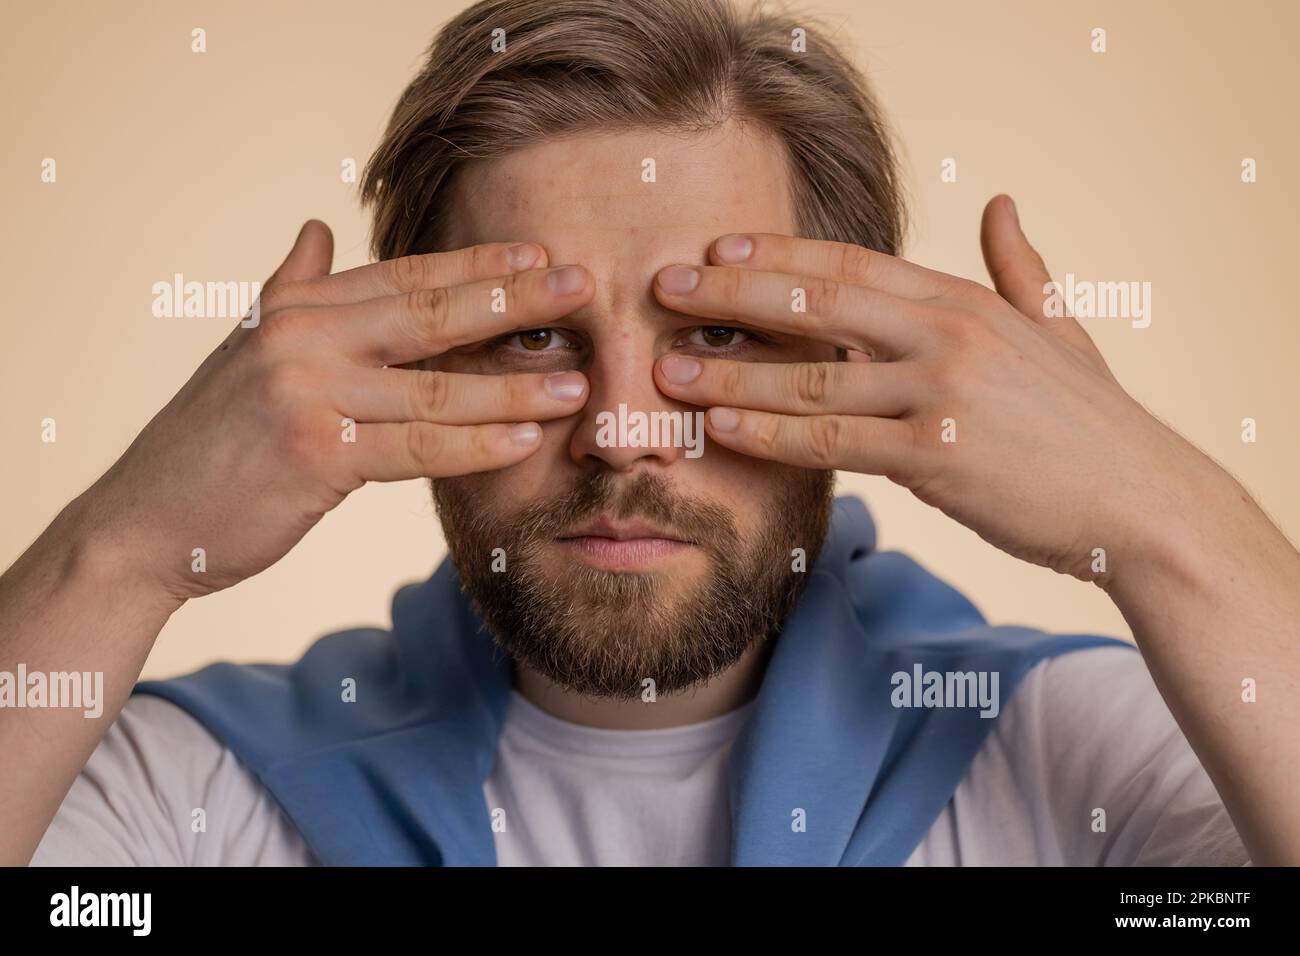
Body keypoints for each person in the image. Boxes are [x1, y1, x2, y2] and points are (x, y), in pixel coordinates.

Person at [5, 0, 1296, 867]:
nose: (624, 433)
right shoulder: (193, 791)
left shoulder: (1082, 753)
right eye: (531, 334)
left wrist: (1169, 522)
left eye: (719, 334)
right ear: (408, 356)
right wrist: (119, 547)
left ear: (851, 356)